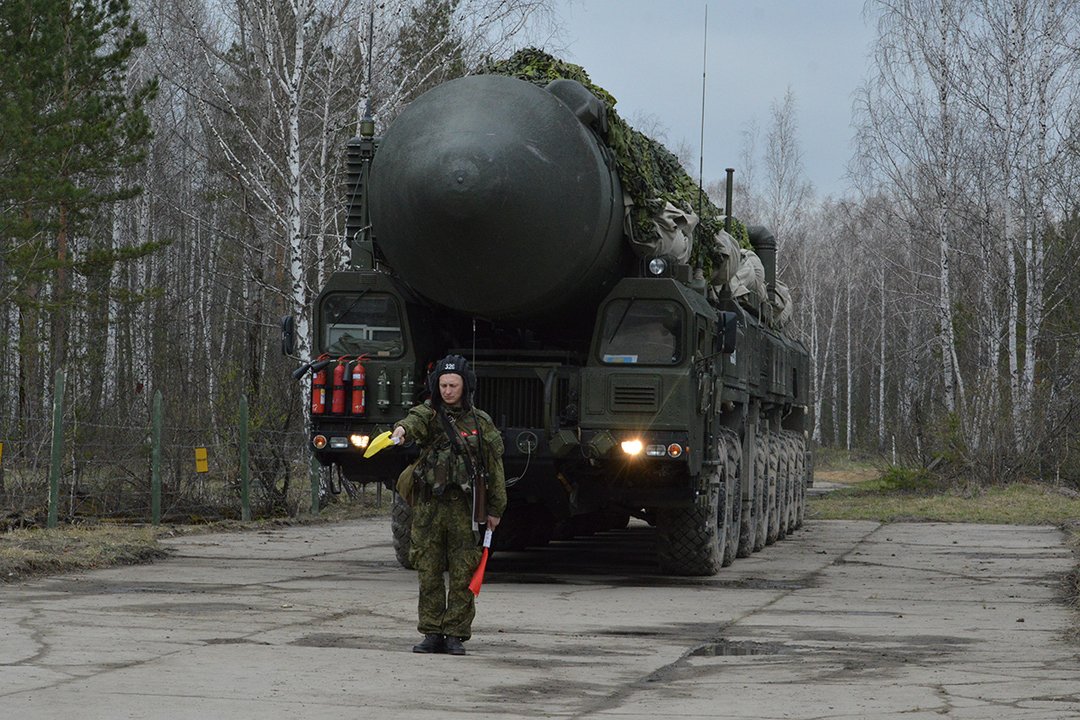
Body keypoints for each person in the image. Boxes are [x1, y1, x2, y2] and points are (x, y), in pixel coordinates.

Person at [390, 354, 506, 656]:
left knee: (462, 572)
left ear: (465, 386)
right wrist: (401, 431)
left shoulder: (480, 422)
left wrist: (495, 509)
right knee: (427, 570)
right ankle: (431, 631)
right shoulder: (429, 414)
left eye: (453, 385)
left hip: (463, 508)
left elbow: (494, 468)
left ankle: (455, 633)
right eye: (442, 384)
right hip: (429, 507)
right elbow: (412, 421)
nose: (447, 391)